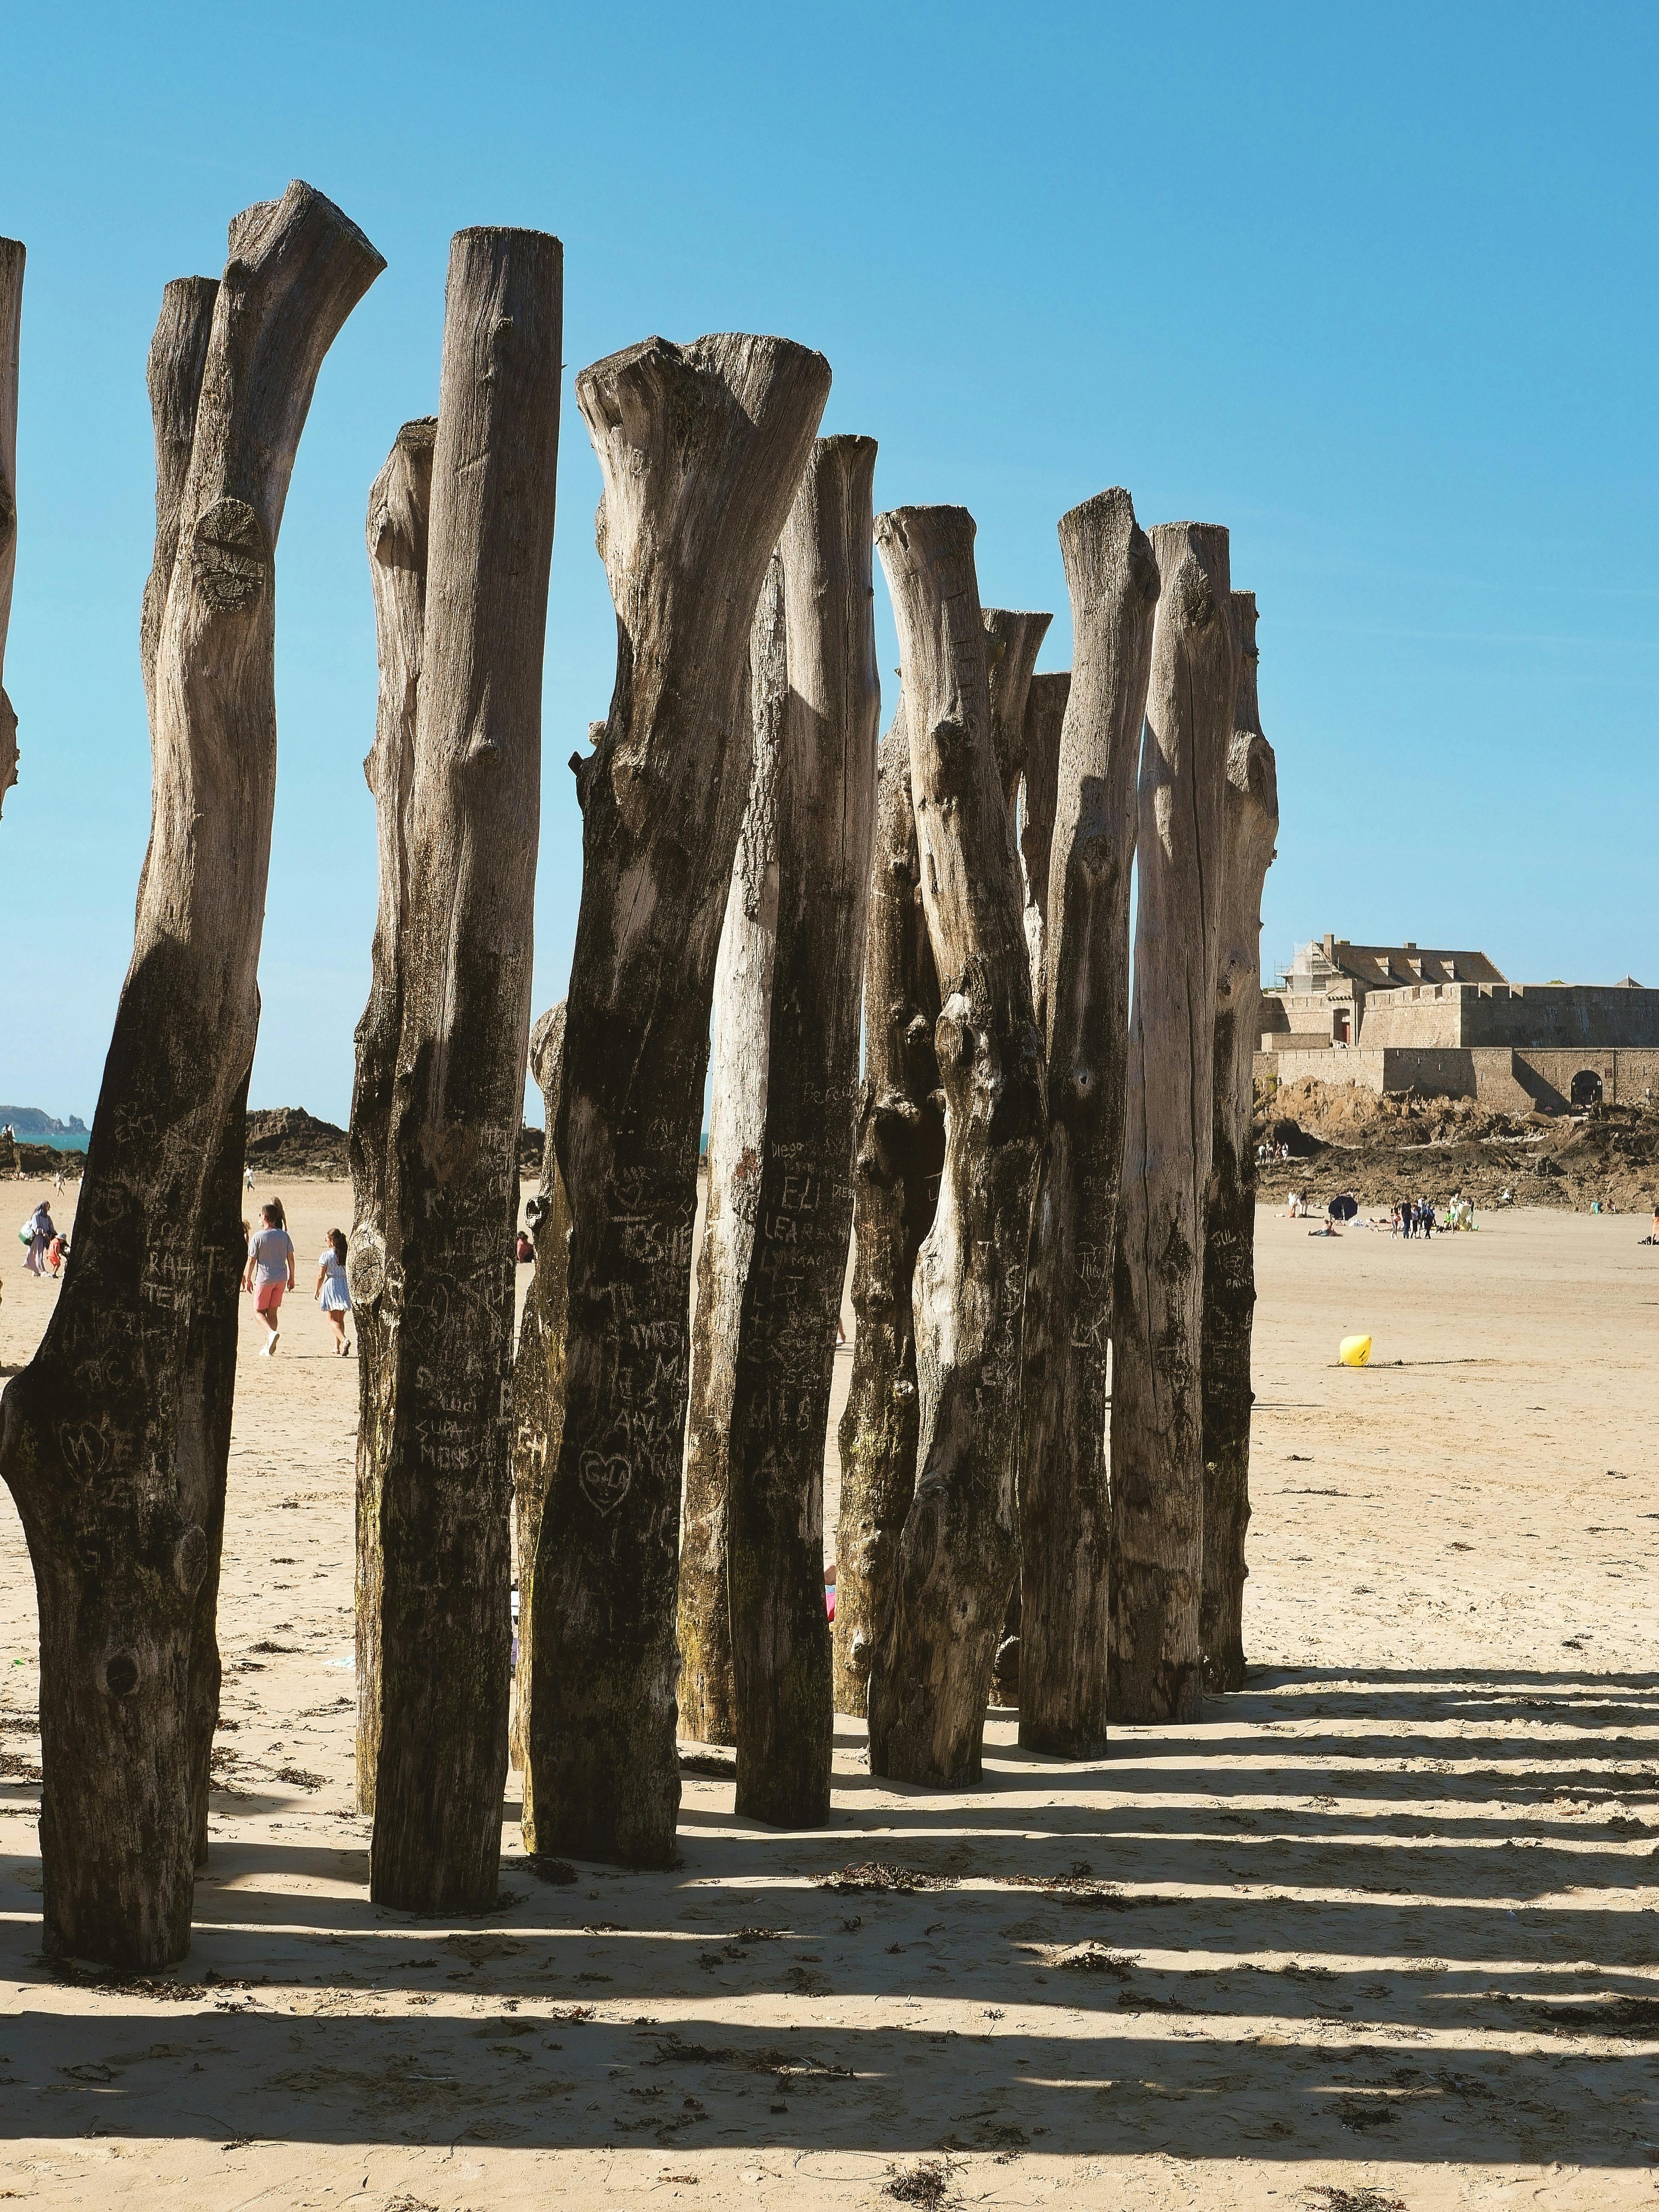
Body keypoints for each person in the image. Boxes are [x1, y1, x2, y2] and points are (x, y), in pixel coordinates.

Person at [243, 1202, 296, 1355]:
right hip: (281, 1278)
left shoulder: (258, 1237)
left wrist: (248, 1278)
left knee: (258, 1311)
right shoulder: (284, 1235)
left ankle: (271, 1334)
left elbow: (252, 1260)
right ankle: (269, 1345)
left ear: (265, 1217)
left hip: (265, 1278)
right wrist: (292, 1277)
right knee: (272, 1313)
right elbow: (291, 1258)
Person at [315, 1228, 352, 1355]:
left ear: (331, 1241)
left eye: (327, 1239)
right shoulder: (346, 1254)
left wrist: (317, 1290)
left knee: (331, 1319)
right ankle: (337, 1347)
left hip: (332, 1285)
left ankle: (344, 1340)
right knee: (340, 1319)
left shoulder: (327, 1255)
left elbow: (321, 1276)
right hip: (344, 1284)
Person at [21, 1199, 56, 1278]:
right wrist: (42, 1232)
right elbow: (36, 1228)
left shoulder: (47, 1217)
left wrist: (53, 1233)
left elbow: (51, 1227)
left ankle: (36, 1271)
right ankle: (42, 1271)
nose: (49, 1208)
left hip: (44, 1238)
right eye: (47, 1206)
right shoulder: (36, 1216)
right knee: (38, 1253)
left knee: (39, 1253)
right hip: (37, 1238)